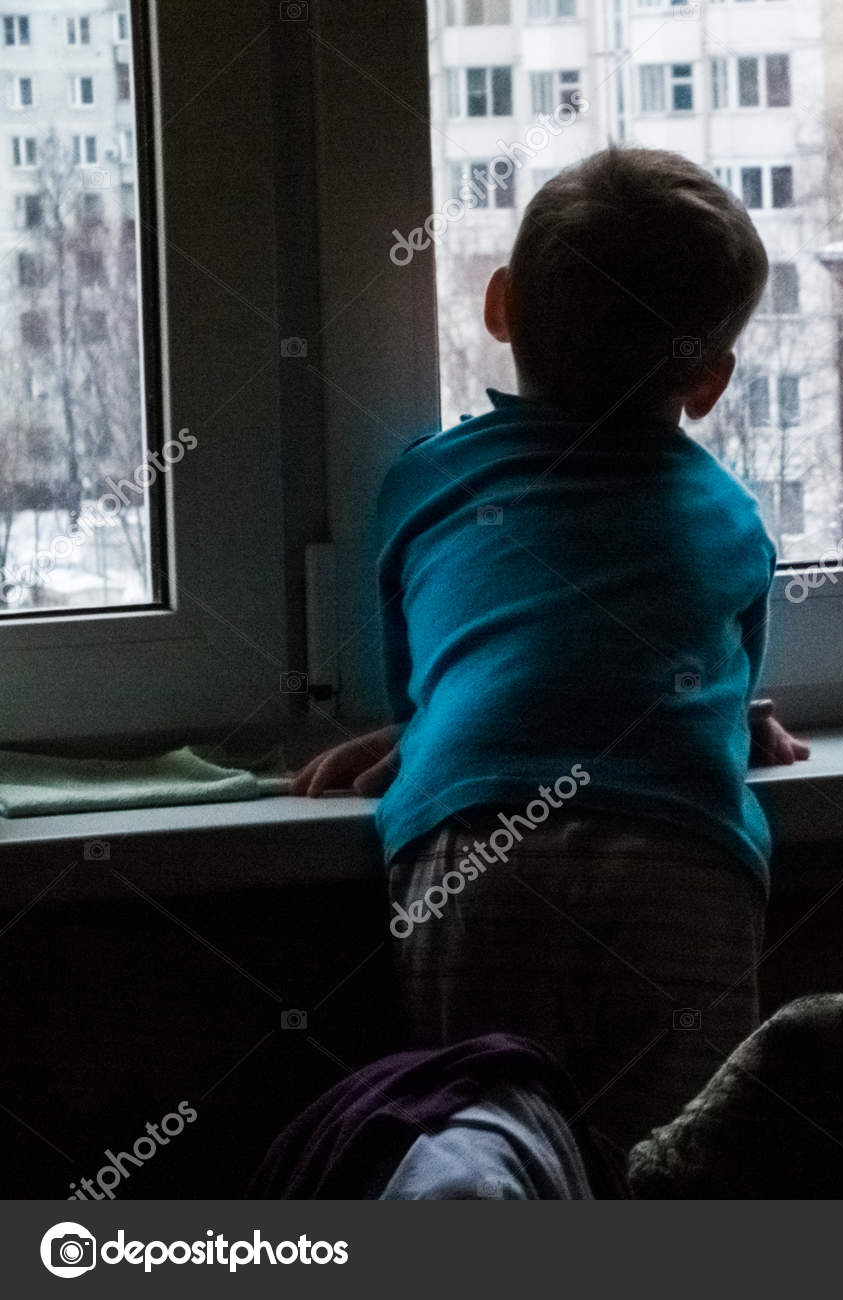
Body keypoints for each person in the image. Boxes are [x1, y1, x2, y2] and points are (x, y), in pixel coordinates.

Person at [292, 146, 808, 1160]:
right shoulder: (730, 514)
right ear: (708, 381)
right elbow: (704, 666)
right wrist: (728, 715)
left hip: (475, 850)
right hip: (678, 858)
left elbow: (420, 675)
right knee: (672, 1168)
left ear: (500, 305)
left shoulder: (426, 481)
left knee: (484, 1146)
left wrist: (434, 732)